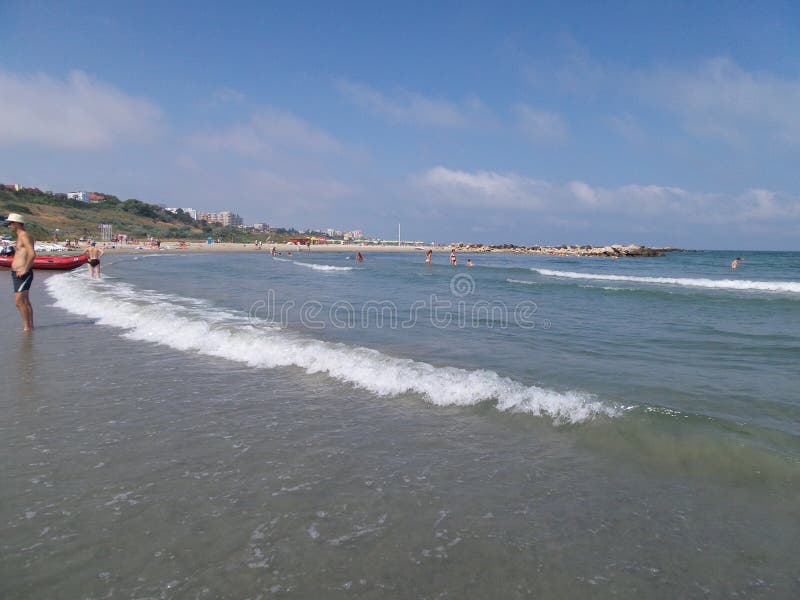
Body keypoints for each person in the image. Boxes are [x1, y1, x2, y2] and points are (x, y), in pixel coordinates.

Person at [6, 213, 35, 331]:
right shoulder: (20, 236)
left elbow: (32, 253)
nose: (9, 224)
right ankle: (30, 326)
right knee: (24, 301)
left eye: (11, 222)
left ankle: (27, 328)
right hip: (17, 273)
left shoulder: (24, 235)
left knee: (18, 301)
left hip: (23, 273)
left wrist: (25, 269)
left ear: (17, 223)